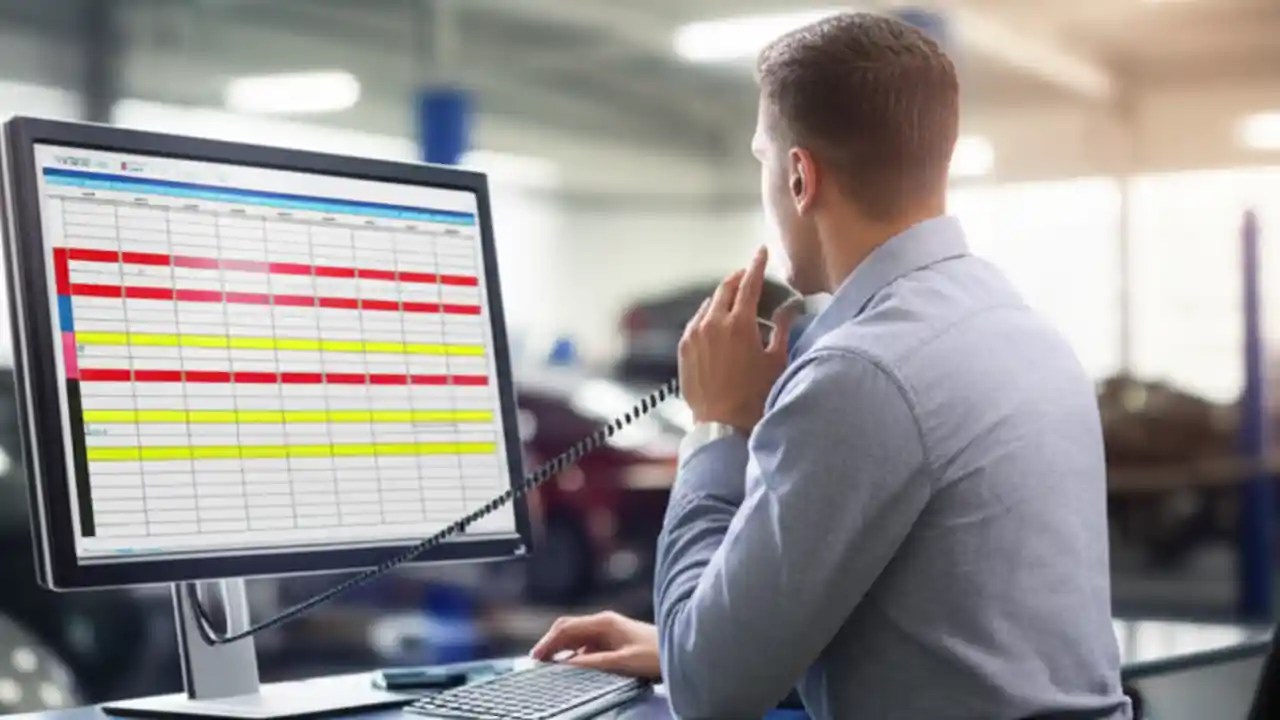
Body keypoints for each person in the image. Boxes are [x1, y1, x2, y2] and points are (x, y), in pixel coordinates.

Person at [532, 12, 1130, 720]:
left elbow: (707, 694)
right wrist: (683, 641)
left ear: (797, 176)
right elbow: (937, 637)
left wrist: (718, 427)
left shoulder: (861, 373)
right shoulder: (1021, 330)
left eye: (762, 158)